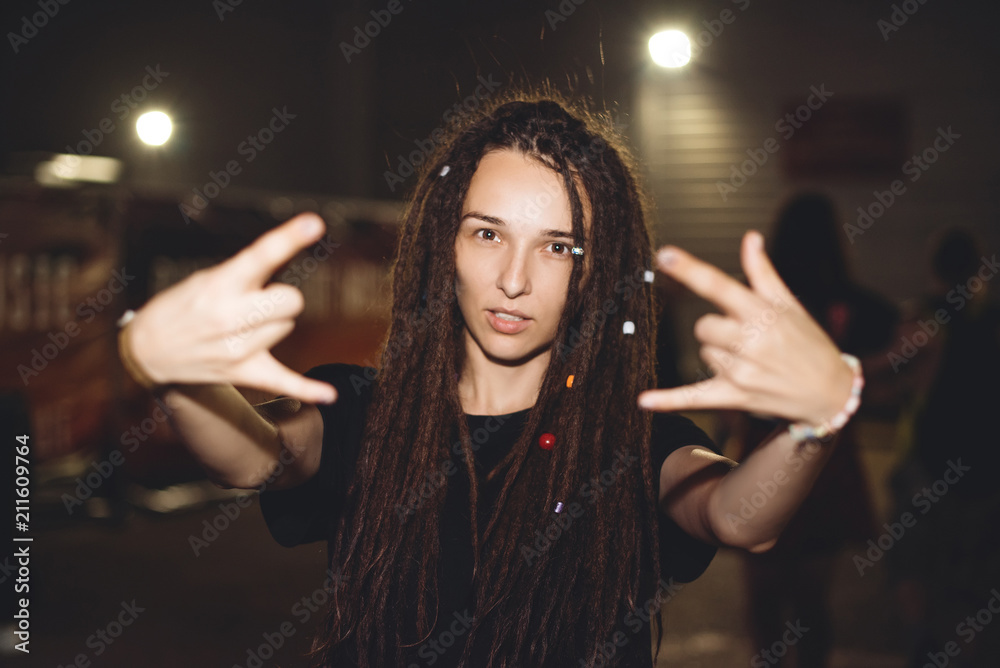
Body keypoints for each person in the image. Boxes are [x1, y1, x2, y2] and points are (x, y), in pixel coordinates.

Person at [117, 96, 863, 667]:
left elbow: (738, 517)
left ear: (596, 269)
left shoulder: (629, 442)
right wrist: (168, 372)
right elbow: (254, 456)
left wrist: (821, 416)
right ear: (444, 244)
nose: (513, 279)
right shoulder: (364, 412)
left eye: (559, 247)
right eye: (487, 233)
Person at [724, 192, 899, 667]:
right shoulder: (844, 298)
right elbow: (897, 336)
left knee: (764, 594)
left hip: (764, 449)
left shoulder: (759, 295)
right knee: (812, 599)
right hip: (826, 458)